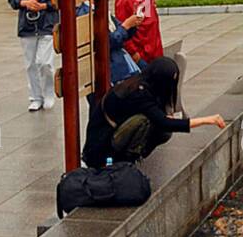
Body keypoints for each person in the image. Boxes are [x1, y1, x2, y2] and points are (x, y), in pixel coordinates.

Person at [82, 56, 224, 169]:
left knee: (159, 127)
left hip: (111, 137)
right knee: (146, 121)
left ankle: (128, 158)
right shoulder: (140, 95)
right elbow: (166, 123)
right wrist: (209, 120)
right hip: (101, 151)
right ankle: (125, 160)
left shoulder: (142, 82)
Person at [8, 0, 58, 111]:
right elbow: (13, 1)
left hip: (47, 24)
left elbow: (59, 0)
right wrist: (25, 3)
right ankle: (35, 97)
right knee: (30, 64)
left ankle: (49, 94)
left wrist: (44, 6)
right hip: (27, 25)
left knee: (44, 63)